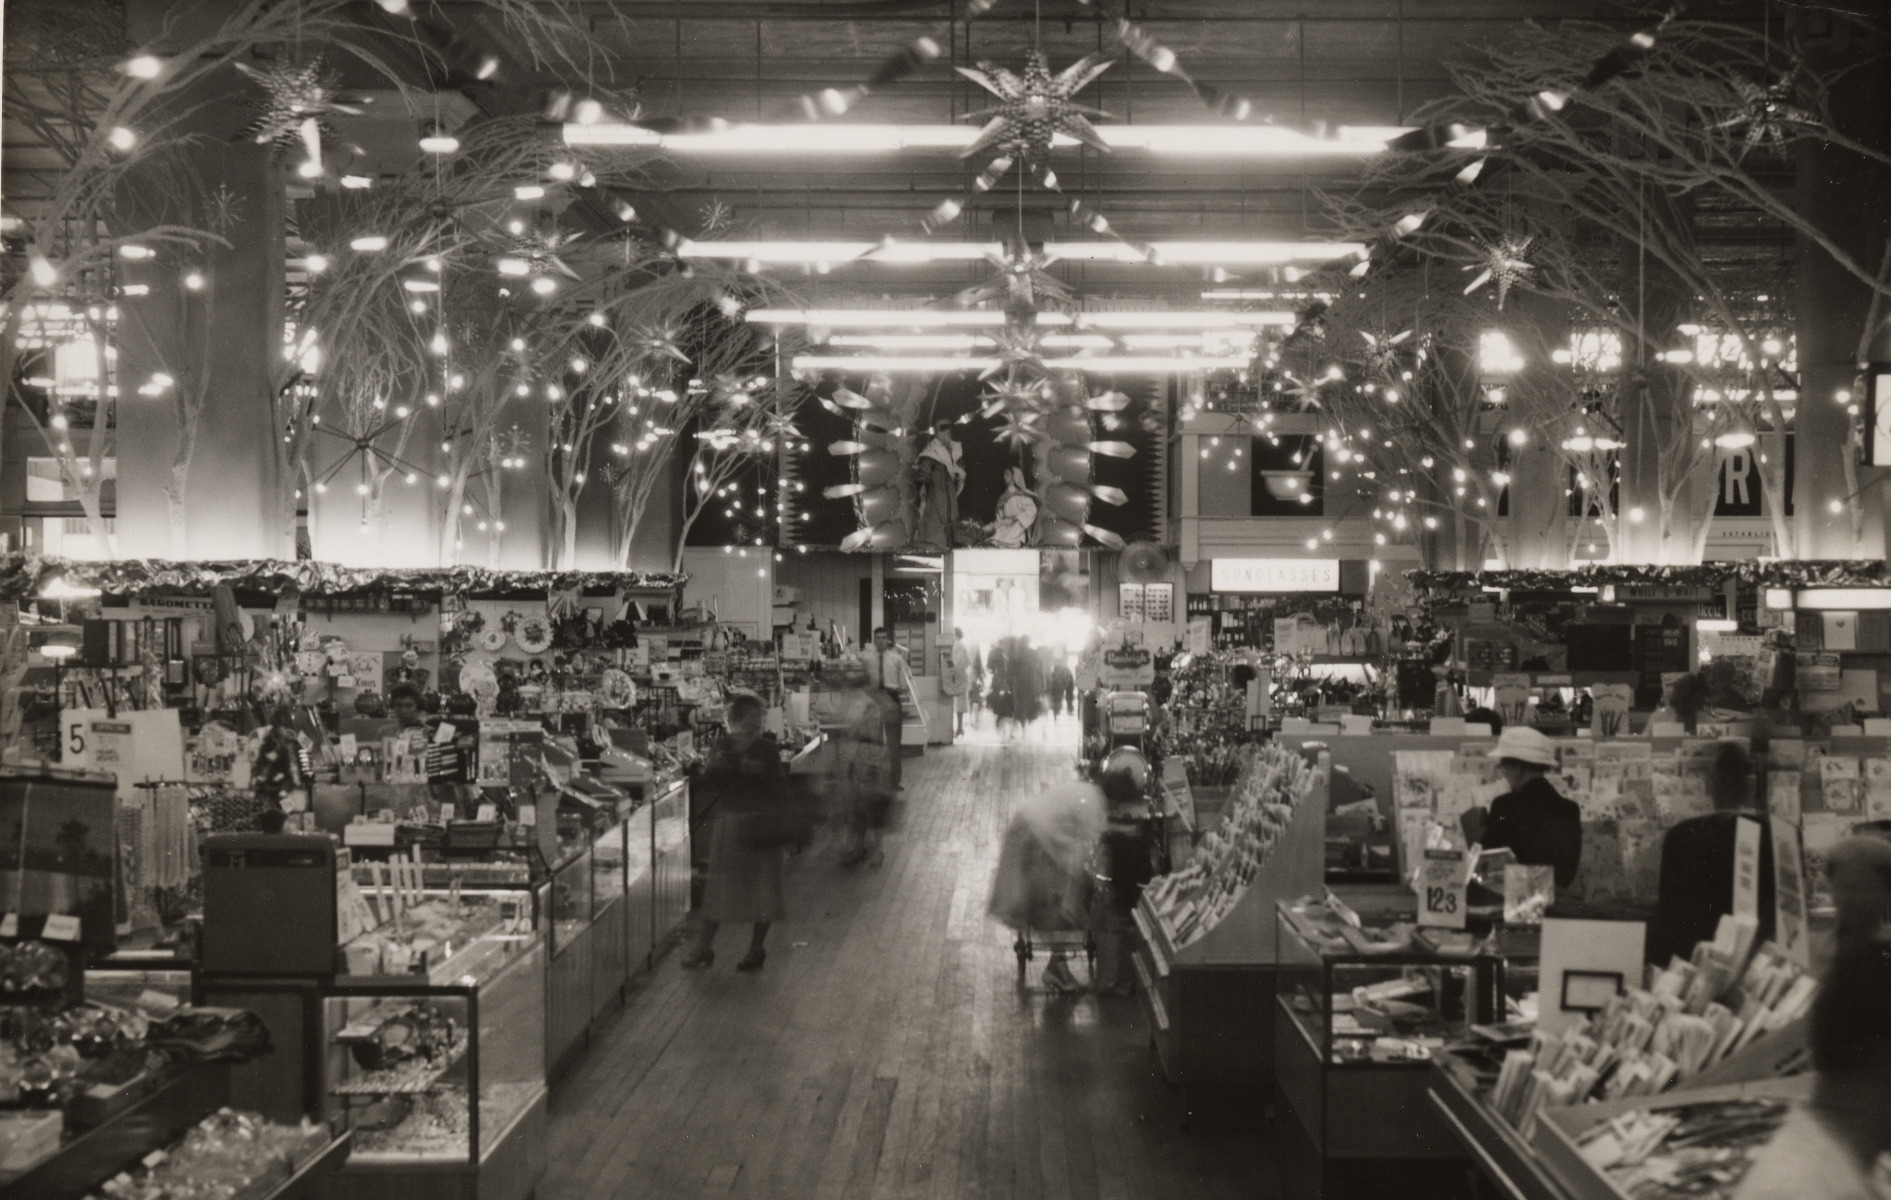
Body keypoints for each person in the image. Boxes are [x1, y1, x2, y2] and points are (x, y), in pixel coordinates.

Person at [1732, 836, 1891, 1200]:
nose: (1850, 896)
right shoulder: (1817, 951)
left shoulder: (1879, 960)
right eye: (1844, 885)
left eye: (1864, 885)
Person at [682, 693, 787, 972]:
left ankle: (741, 948)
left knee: (745, 888)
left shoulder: (761, 749)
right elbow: (714, 781)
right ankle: (712, 948)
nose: (757, 723)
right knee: (729, 889)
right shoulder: (733, 747)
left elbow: (776, 787)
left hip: (747, 824)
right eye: (754, 717)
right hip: (744, 823)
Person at [1648, 741, 1774, 964]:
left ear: (1709, 787)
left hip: (1690, 959)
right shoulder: (1771, 836)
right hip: (1751, 963)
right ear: (1749, 788)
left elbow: (1667, 915)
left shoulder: (1681, 835)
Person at [989, 775, 1108, 993]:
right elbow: (1081, 850)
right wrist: (1078, 885)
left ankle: (1057, 964)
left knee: (1049, 899)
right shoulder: (1096, 805)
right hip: (1035, 835)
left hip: (1028, 825)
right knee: (1054, 903)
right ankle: (1057, 968)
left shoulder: (1089, 792)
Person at [1460, 726, 1582, 890]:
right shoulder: (1569, 809)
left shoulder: (1504, 806)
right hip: (1555, 904)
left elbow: (1487, 868)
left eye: (1503, 766)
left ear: (1518, 768)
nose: (1503, 773)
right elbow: (1566, 874)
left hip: (1513, 903)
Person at [1091, 769, 1153, 997]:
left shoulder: (1116, 829)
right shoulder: (1135, 819)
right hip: (1132, 885)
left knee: (1113, 929)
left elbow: (1117, 866)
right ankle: (1123, 981)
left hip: (1121, 885)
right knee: (1125, 930)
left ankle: (1113, 982)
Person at [829, 665, 893, 868]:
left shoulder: (865, 705)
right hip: (861, 759)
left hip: (867, 759)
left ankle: (874, 851)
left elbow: (863, 733)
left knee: (871, 806)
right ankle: (860, 848)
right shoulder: (864, 703)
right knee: (861, 807)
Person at [866, 627, 910, 789]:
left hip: (892, 698)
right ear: (874, 640)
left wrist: (891, 693)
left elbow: (903, 685)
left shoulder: (897, 659)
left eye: (884, 637)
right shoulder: (867, 660)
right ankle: (873, 779)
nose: (881, 641)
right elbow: (864, 683)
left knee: (893, 743)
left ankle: (895, 781)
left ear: (888, 640)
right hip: (874, 699)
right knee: (873, 741)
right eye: (877, 638)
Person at [945, 627, 975, 737]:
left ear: (955, 634)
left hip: (957, 676)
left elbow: (953, 662)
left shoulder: (957, 645)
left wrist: (948, 669)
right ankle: (959, 728)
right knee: (959, 703)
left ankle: (959, 728)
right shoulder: (962, 645)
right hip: (962, 675)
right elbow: (967, 662)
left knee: (958, 703)